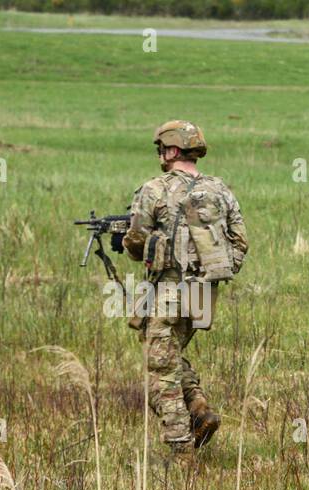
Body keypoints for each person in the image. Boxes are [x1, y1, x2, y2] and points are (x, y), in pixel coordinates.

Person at [122, 120, 247, 460]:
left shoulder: (155, 189)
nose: (160, 155)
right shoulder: (220, 190)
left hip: (167, 292)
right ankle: (199, 408)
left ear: (173, 150)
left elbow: (135, 240)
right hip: (203, 296)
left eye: (162, 148)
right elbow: (240, 241)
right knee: (170, 354)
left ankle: (182, 456)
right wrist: (210, 274)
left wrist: (134, 245)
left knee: (160, 373)